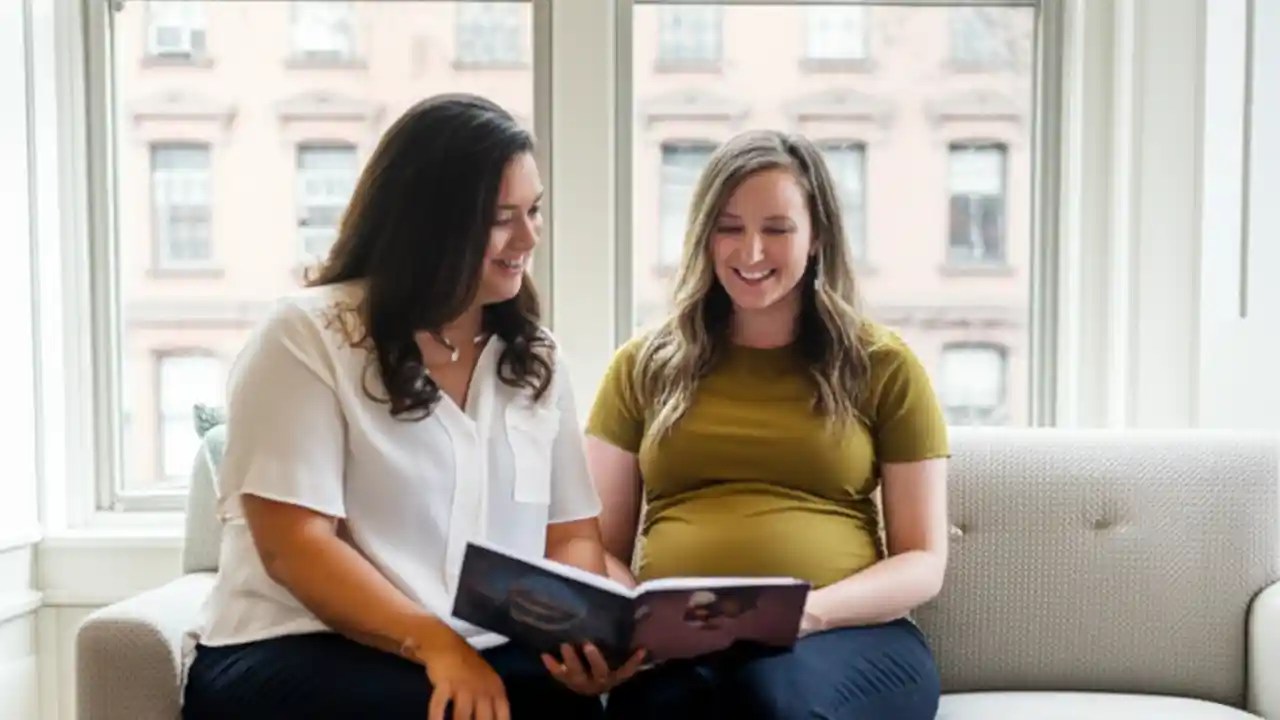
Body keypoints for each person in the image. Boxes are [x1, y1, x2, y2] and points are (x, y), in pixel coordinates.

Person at [181, 94, 643, 720]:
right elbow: (295, 546)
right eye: (502, 217)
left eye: (534, 211)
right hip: (301, 644)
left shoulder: (535, 359)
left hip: (477, 645)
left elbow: (570, 538)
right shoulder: (306, 335)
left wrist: (582, 638)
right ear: (431, 224)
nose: (529, 236)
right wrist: (434, 643)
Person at [585, 129, 949, 719]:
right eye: (729, 228)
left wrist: (809, 613)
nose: (750, 252)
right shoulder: (642, 367)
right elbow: (597, 547)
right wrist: (641, 617)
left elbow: (923, 561)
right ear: (704, 237)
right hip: (684, 652)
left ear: (817, 238)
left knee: (770, 699)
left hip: (844, 640)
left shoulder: (883, 366)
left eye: (776, 229)